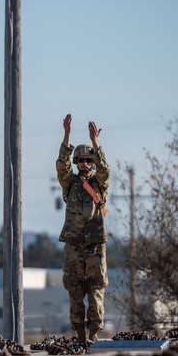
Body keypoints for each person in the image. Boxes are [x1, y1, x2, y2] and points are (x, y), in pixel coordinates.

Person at [56, 115, 110, 343]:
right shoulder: (70, 184)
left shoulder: (99, 183)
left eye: (88, 160)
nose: (85, 164)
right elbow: (62, 167)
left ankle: (94, 333)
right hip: (74, 244)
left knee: (96, 289)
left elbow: (105, 170)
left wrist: (95, 142)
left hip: (95, 245)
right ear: (76, 162)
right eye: (80, 160)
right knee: (75, 289)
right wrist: (66, 134)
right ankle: (79, 333)